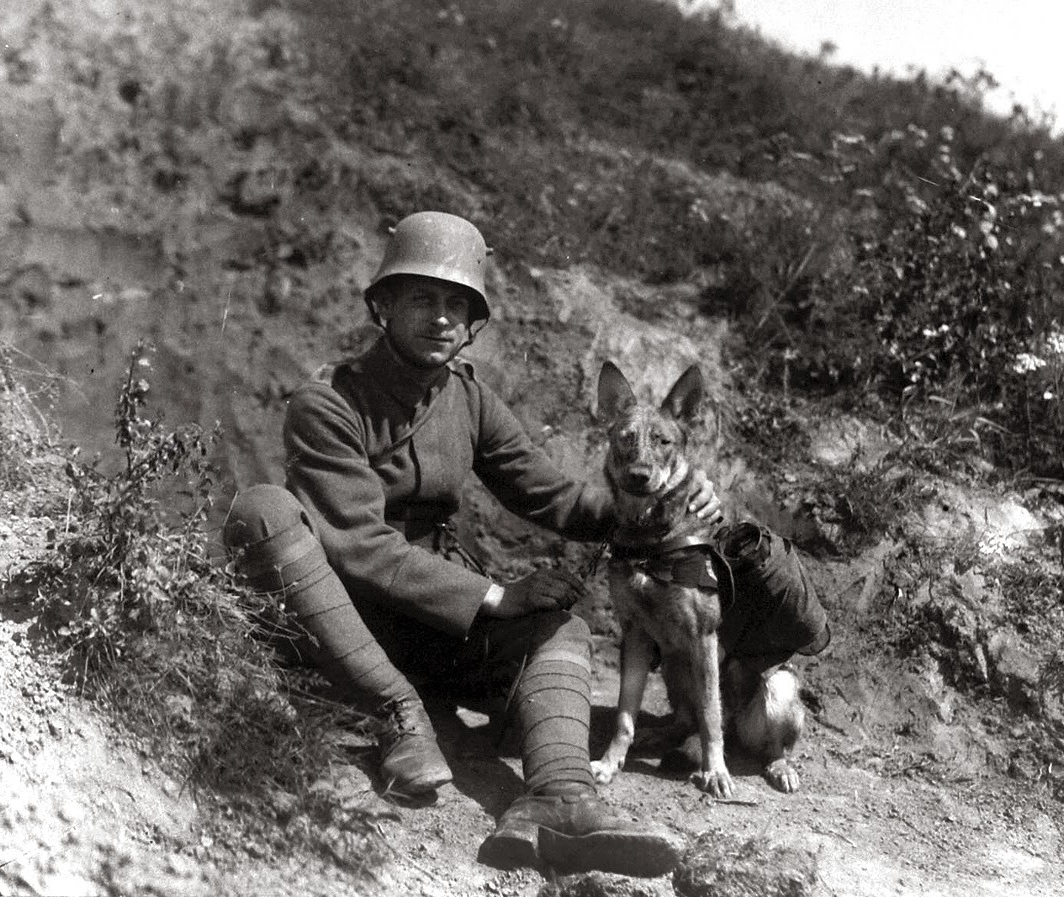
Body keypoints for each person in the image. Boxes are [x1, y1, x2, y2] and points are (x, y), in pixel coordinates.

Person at [222, 211, 722, 877]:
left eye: (456, 303)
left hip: (433, 624)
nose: (439, 318)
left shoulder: (467, 397)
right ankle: (397, 715)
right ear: (383, 306)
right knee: (262, 509)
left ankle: (560, 798)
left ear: (472, 321)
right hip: (342, 624)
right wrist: (492, 594)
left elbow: (552, 496)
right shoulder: (329, 401)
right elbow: (361, 546)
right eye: (422, 299)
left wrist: (663, 503)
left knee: (560, 630)